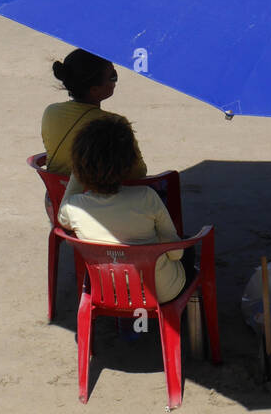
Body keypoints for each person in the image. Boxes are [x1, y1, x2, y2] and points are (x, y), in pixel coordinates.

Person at [59, 117, 191, 303]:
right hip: (160, 293)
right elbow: (176, 253)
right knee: (188, 253)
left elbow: (62, 217)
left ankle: (127, 325)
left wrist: (79, 170)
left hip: (106, 292)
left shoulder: (74, 207)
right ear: (130, 162)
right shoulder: (146, 197)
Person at [42, 49, 146, 185]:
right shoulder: (115, 124)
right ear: (94, 90)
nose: (115, 80)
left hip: (58, 194)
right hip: (101, 199)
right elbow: (138, 172)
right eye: (113, 76)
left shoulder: (51, 112)